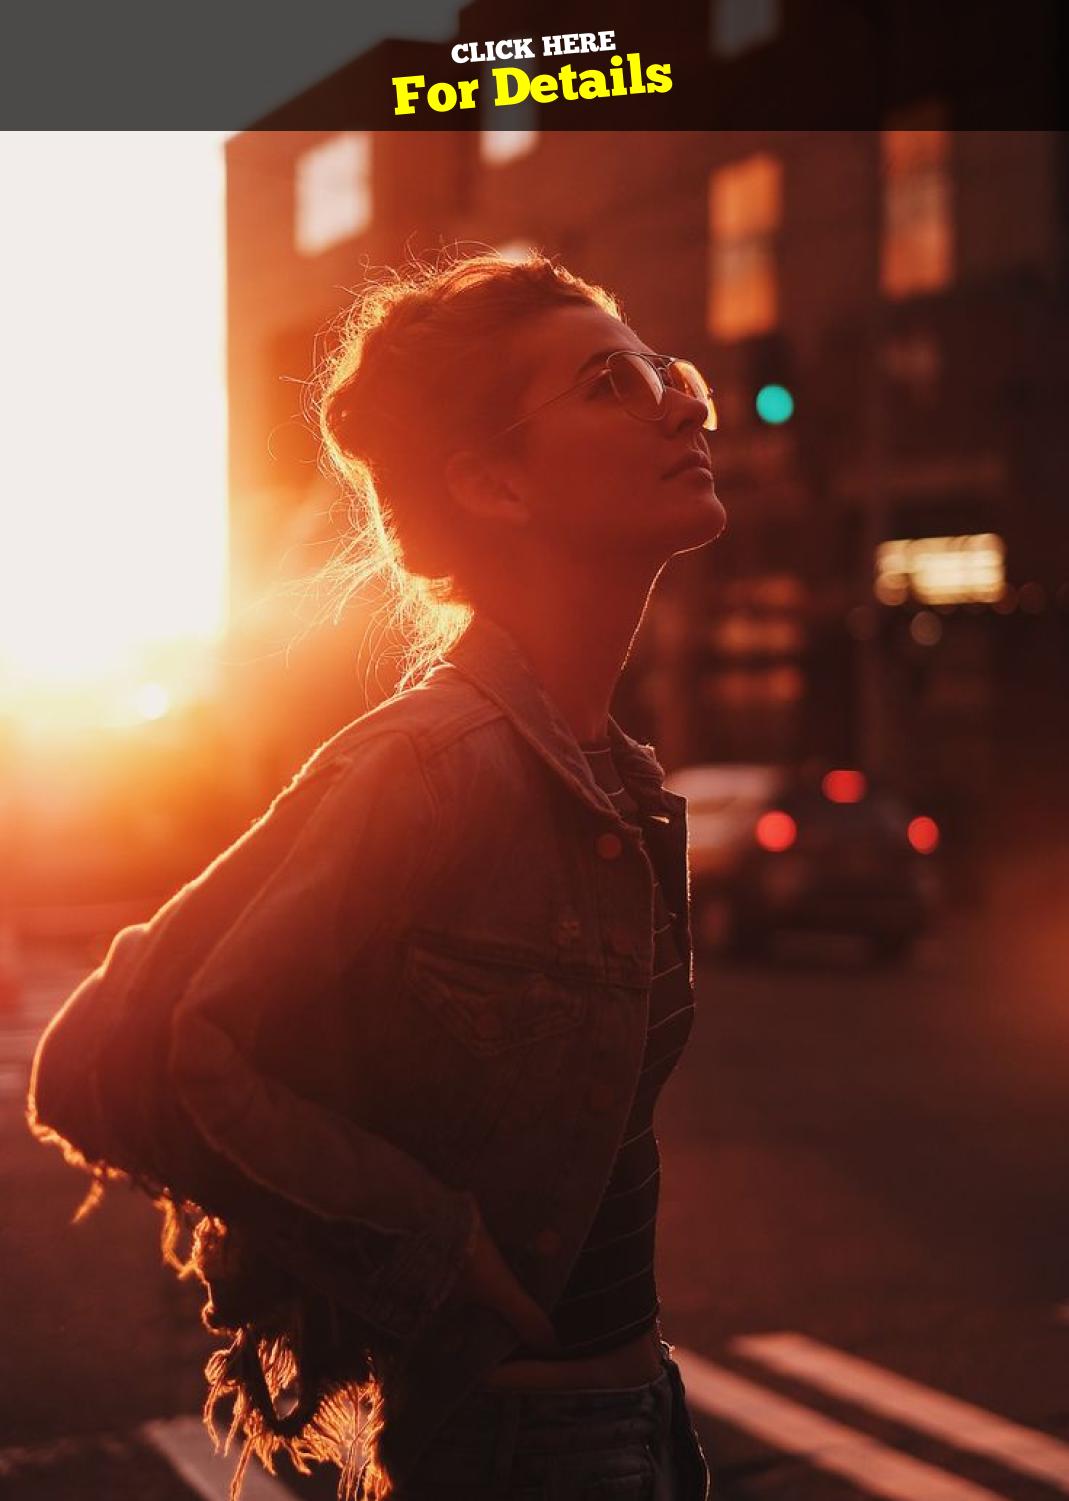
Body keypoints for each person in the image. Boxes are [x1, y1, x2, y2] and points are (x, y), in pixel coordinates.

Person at [26, 251, 725, 1501]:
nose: (683, 403)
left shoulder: (607, 776)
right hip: (521, 1456)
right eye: (610, 384)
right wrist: (436, 1254)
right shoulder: (430, 764)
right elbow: (140, 1051)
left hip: (636, 1419)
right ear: (491, 481)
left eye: (666, 372)